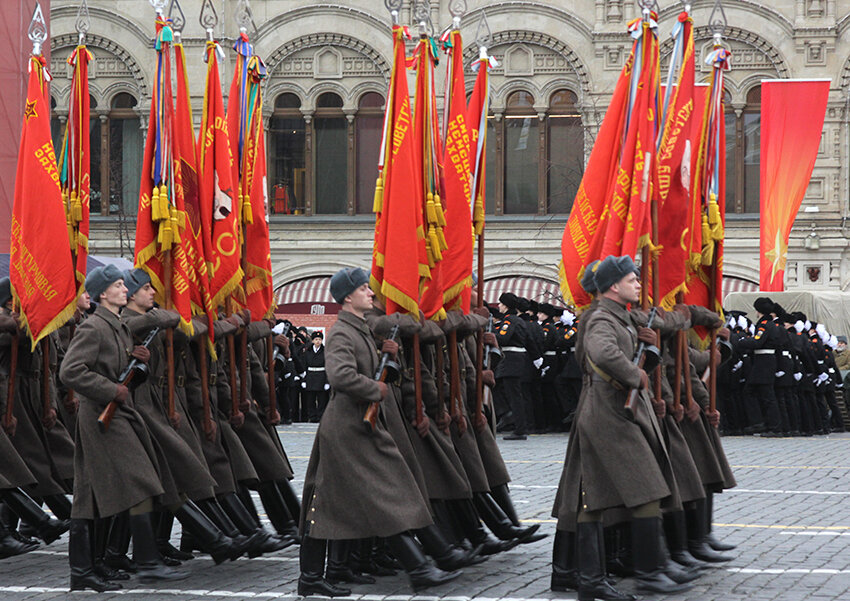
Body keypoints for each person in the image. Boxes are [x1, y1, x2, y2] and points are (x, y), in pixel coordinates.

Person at [297, 267, 460, 596]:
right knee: (388, 494)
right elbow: (341, 376)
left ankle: (312, 576)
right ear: (347, 297)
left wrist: (385, 358)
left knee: (333, 500)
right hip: (349, 425)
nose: (371, 293)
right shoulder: (342, 332)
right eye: (364, 289)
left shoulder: (358, 330)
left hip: (360, 424)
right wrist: (375, 389)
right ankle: (421, 567)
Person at [558, 255, 690, 599]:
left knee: (595, 498)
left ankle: (592, 582)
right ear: (614, 286)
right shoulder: (602, 318)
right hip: (608, 411)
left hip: (612, 411)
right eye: (632, 279)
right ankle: (648, 572)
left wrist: (647, 347)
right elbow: (601, 353)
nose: (638, 284)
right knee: (645, 488)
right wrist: (636, 374)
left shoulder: (618, 317)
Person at [59, 265, 187, 591]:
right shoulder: (94, 327)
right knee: (141, 483)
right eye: (117, 285)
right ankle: (147, 563)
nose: (123, 290)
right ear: (103, 294)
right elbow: (71, 372)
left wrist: (137, 360)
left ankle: (82, 571)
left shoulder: (116, 326)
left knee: (87, 497)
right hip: (102, 417)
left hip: (115, 414)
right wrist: (109, 390)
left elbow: (118, 370)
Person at [300, 331, 329, 422]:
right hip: (310, 377)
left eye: (320, 339)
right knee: (310, 399)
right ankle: (312, 417)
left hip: (321, 377)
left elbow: (328, 366)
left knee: (321, 399)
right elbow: (304, 366)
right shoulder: (307, 351)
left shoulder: (325, 351)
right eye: (316, 339)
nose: (318, 341)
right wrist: (304, 380)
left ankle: (320, 417)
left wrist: (327, 382)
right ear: (312, 340)